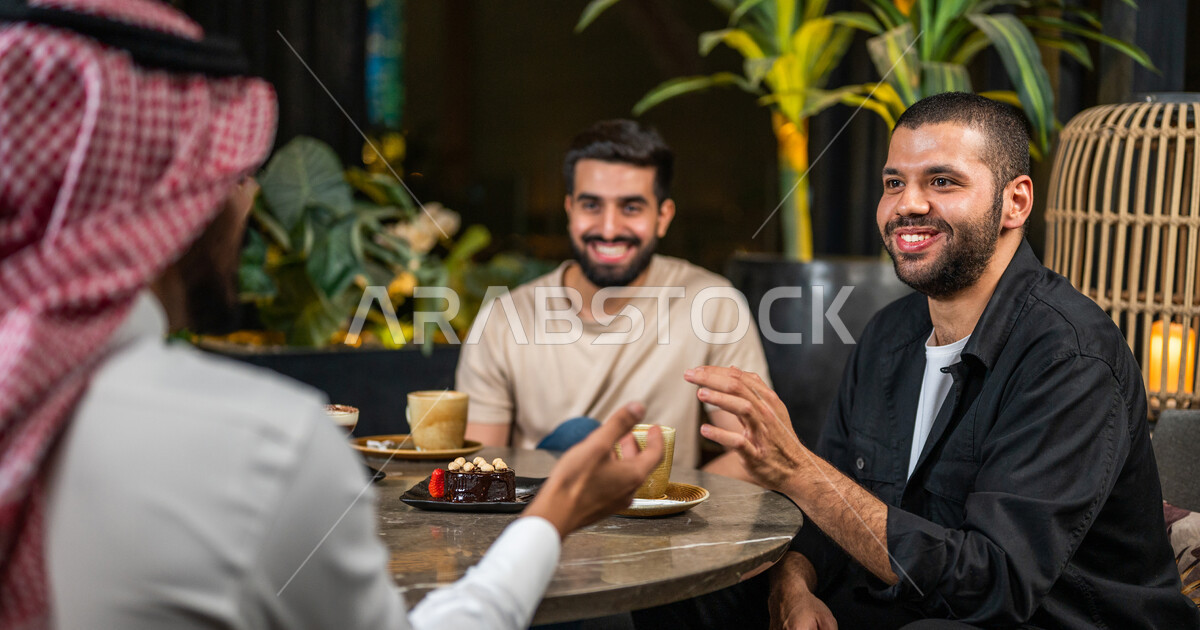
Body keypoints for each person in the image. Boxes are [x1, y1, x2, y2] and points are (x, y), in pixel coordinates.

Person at [0, 2, 664, 629]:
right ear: (179, 196)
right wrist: (552, 517)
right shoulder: (262, 447)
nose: (249, 196)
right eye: (233, 174)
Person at [687, 92, 1200, 628]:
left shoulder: (1070, 357)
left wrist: (797, 471)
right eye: (894, 183)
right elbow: (830, 510)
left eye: (942, 181)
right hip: (901, 606)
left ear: (1015, 202)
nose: (907, 204)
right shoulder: (887, 335)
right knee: (702, 588)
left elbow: (992, 584)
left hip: (1038, 620)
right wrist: (793, 589)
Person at [456, 119, 771, 479]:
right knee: (576, 435)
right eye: (591, 205)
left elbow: (756, 453)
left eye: (631, 208)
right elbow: (479, 476)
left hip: (664, 512)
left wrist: (663, 498)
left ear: (663, 217)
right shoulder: (503, 318)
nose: (608, 229)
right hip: (542, 507)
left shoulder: (713, 304)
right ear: (570, 210)